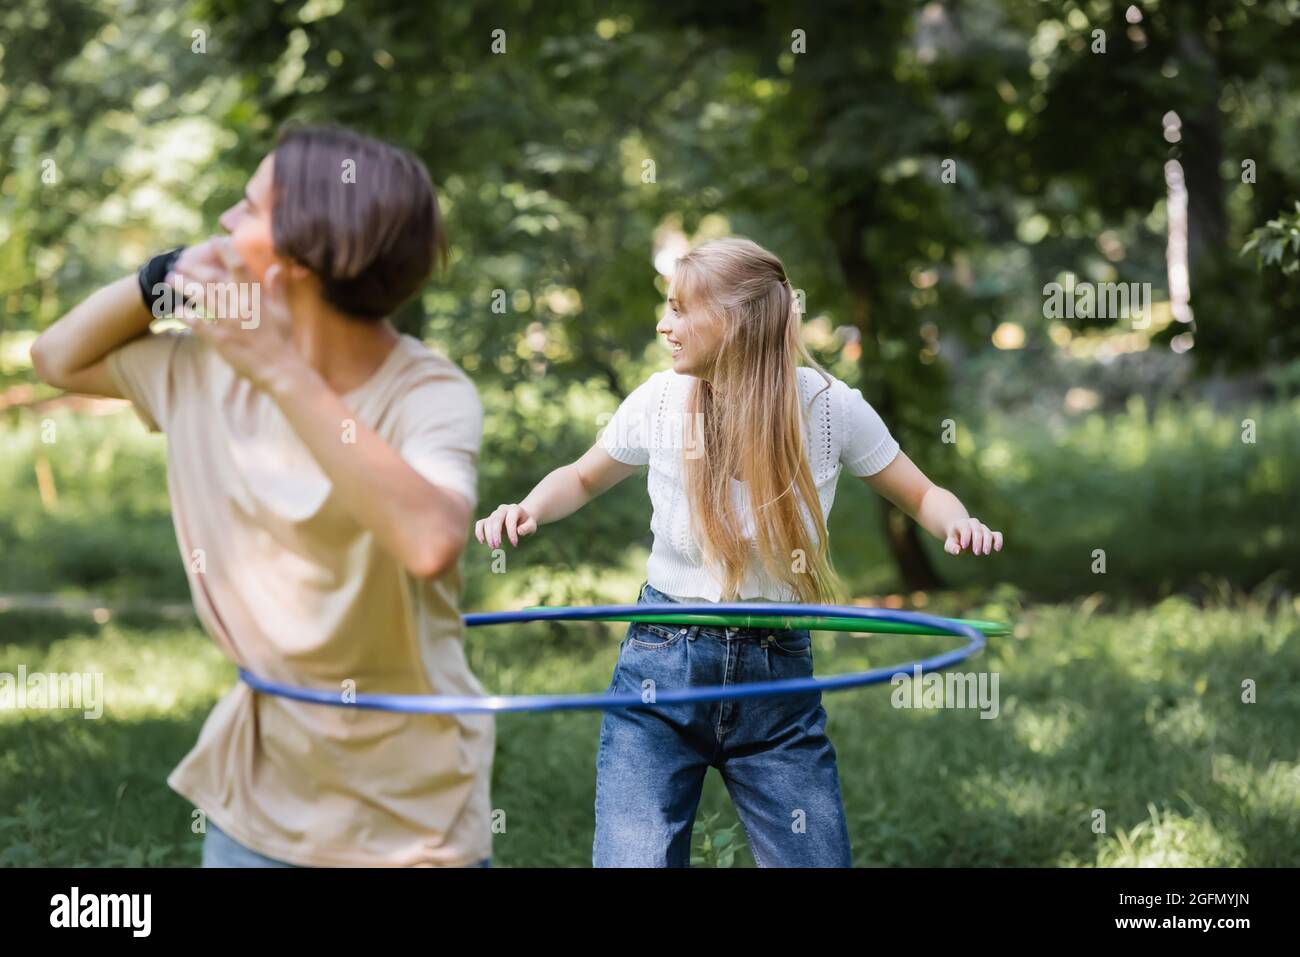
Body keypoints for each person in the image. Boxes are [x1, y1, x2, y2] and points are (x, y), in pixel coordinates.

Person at [30, 124, 492, 868]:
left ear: (299, 258)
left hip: (411, 816)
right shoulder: (200, 369)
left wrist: (279, 368)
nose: (221, 224)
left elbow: (430, 541)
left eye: (246, 209)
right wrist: (163, 276)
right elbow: (55, 357)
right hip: (257, 797)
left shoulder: (428, 393)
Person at [476, 237, 1003, 867]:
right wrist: (527, 508)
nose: (663, 324)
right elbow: (584, 476)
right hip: (660, 672)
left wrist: (958, 522)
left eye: (679, 309)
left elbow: (920, 494)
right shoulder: (661, 401)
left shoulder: (826, 408)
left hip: (776, 678)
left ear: (735, 321)